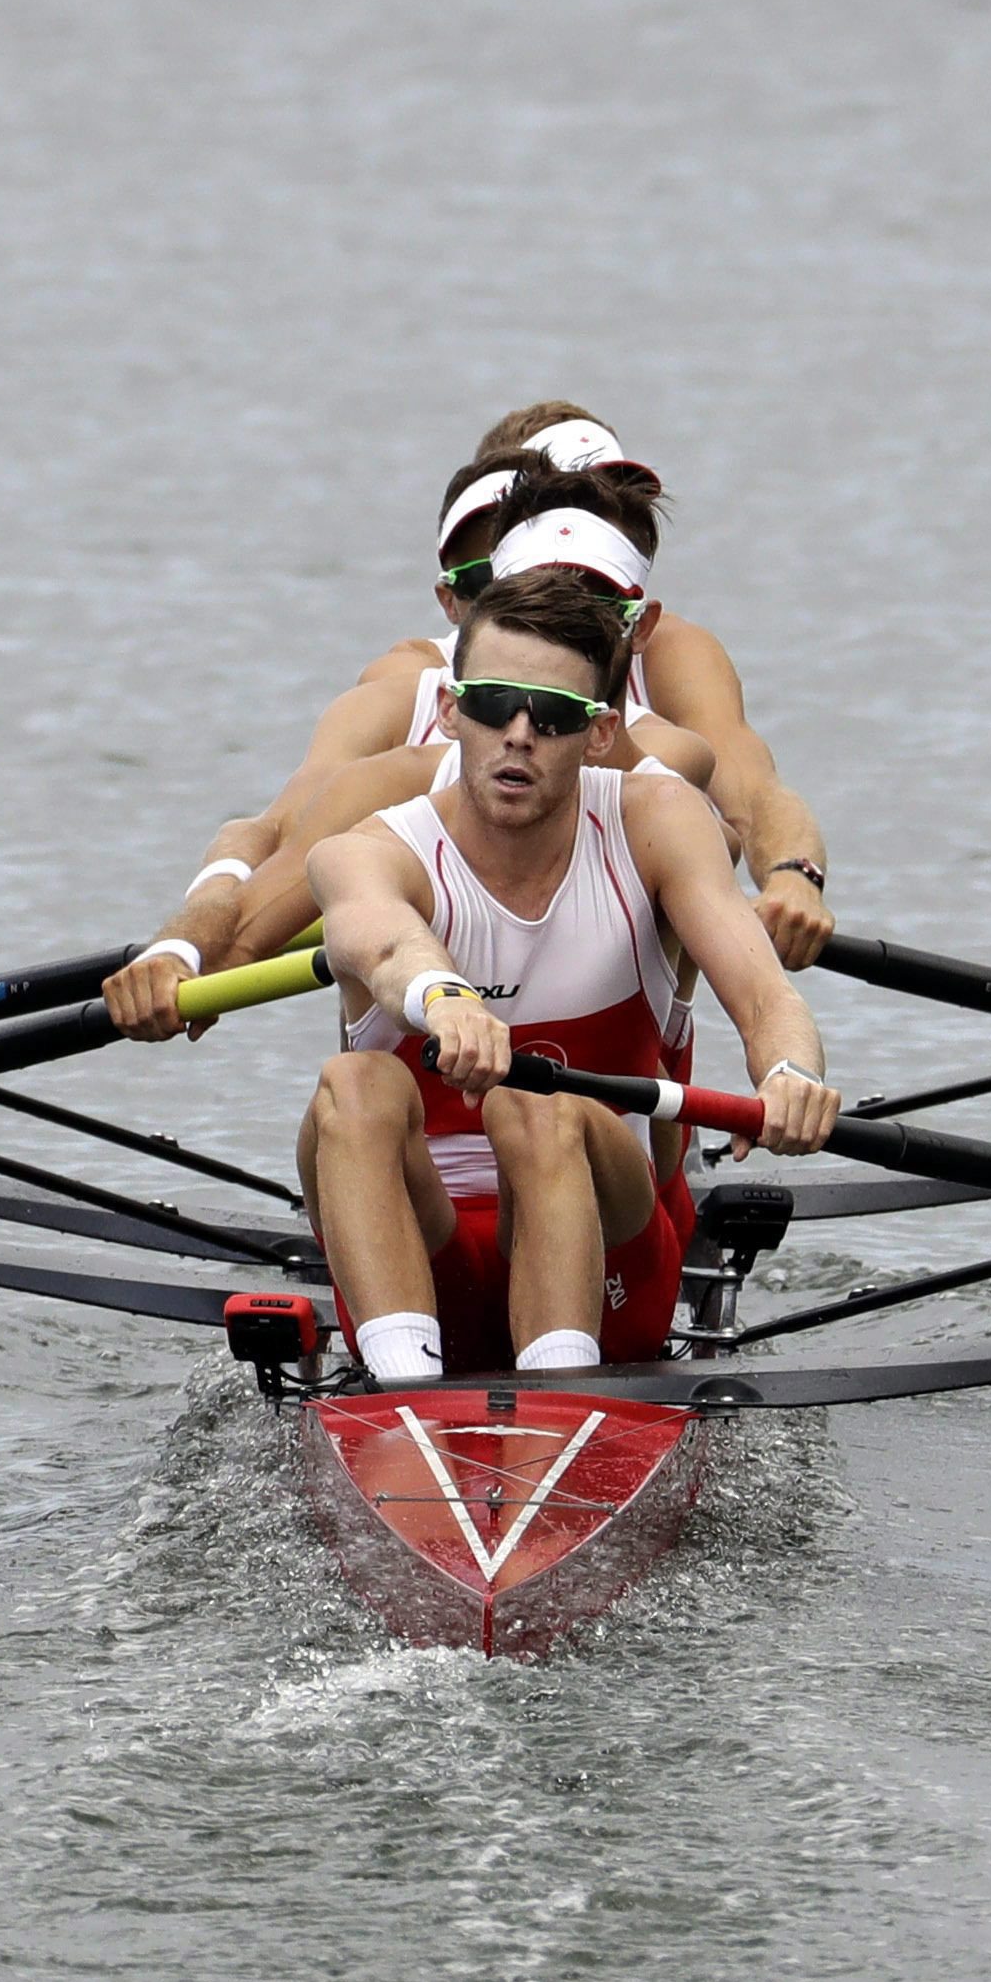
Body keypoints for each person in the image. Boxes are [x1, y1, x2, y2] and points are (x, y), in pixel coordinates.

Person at [103, 405, 832, 1040]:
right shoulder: (402, 690)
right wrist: (187, 960)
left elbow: (749, 785)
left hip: (605, 1056)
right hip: (422, 1011)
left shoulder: (670, 711)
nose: (571, 602)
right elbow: (277, 836)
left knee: (704, 840)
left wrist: (793, 878)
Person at [296, 564, 840, 1387]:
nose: (517, 734)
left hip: (606, 1250)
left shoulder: (656, 823)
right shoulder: (368, 848)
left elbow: (765, 996)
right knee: (353, 1084)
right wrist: (446, 998)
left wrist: (791, 1072)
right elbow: (380, 942)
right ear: (449, 711)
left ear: (597, 733)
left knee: (535, 1103)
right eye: (491, 704)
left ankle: (562, 1393)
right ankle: (402, 1389)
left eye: (551, 715)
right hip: (421, 1240)